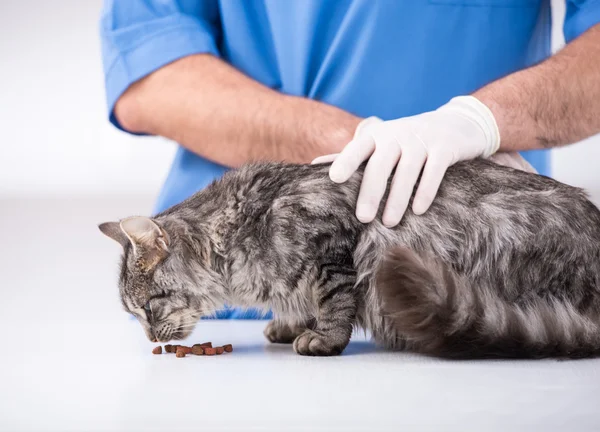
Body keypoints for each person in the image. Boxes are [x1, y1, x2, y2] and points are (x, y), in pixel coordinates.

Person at [100, 1, 600, 318]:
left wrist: (482, 120)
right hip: (235, 308)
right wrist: (360, 151)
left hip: (493, 279)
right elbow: (148, 76)